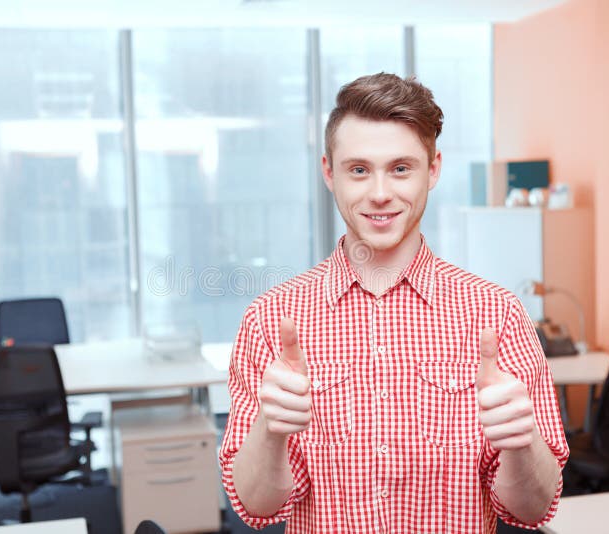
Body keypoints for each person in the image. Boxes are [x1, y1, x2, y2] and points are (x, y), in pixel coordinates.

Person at [219, 72, 568, 533]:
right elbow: (256, 508)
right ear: (329, 172)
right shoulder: (269, 319)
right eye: (359, 169)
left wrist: (520, 444)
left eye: (401, 168)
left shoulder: (497, 313)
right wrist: (270, 430)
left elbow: (533, 510)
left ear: (434, 169)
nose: (380, 193)